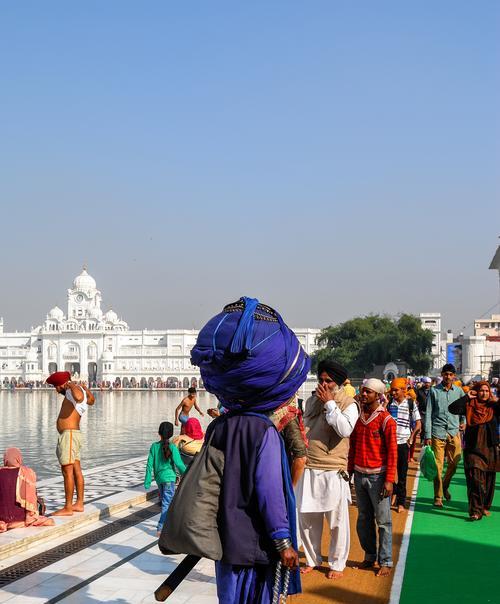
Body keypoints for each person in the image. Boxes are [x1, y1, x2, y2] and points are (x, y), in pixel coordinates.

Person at [189, 297, 309, 603]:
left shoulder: (219, 426)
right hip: (255, 546)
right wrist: (283, 542)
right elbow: (268, 490)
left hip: (226, 544)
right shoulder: (263, 432)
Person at [296, 360, 359, 580]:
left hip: (333, 470)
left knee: (337, 521)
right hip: (309, 466)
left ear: (339, 383)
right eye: (321, 380)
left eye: (328, 381)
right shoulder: (312, 401)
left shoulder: (349, 404)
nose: (323, 384)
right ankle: (313, 559)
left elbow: (344, 429)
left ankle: (337, 563)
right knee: (307, 518)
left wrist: (331, 404)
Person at [348, 378, 397, 577]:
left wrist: (390, 479)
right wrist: (350, 470)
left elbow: (393, 452)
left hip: (379, 477)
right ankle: (369, 556)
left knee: (383, 521)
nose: (363, 394)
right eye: (363, 391)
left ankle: (385, 560)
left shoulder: (386, 420)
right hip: (360, 475)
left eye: (368, 392)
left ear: (378, 395)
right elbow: (353, 446)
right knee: (363, 518)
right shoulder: (358, 418)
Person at [46, 371, 95, 516]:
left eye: (56, 386)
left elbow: (79, 398)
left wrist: (71, 385)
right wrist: (86, 390)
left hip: (69, 435)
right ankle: (79, 503)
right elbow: (91, 400)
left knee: (67, 472)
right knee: (76, 470)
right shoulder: (74, 391)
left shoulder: (72, 390)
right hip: (73, 435)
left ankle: (68, 507)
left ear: (63, 384)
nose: (56, 390)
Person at [449, 381, 499, 520]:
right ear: (476, 391)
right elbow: (452, 408)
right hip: (473, 448)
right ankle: (475, 511)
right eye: (481, 390)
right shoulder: (469, 405)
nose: (484, 393)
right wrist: (466, 397)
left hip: (490, 448)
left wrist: (495, 400)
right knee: (475, 480)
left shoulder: (493, 407)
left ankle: (484, 506)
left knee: (488, 481)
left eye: (487, 391)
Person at [424, 364, 465, 507]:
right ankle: (438, 496)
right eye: (446, 374)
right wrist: (427, 435)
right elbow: (428, 413)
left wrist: (463, 422)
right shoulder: (434, 391)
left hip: (454, 432)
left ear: (454, 376)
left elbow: (464, 410)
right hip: (437, 432)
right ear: (442, 375)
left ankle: (445, 485)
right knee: (438, 466)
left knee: (454, 463)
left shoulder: (459, 392)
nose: (448, 377)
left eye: (451, 374)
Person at [144, 421, 187, 535]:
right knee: (167, 503)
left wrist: (147, 481)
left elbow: (149, 464)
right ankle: (161, 527)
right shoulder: (172, 447)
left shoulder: (154, 446)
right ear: (171, 434)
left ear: (159, 433)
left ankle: (167, 525)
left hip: (159, 479)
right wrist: (187, 474)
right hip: (169, 479)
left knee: (165, 502)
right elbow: (179, 464)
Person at [0, 447, 54, 532]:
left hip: (2, 519)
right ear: (19, 458)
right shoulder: (26, 472)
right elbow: (33, 496)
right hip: (22, 519)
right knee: (49, 520)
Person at [388, 378, 421, 512]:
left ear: (403, 390)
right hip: (390, 444)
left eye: (396, 390)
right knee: (387, 473)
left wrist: (411, 439)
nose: (393, 393)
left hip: (403, 444)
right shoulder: (389, 403)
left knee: (402, 474)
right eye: (392, 390)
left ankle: (401, 502)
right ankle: (393, 491)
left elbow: (418, 423)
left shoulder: (410, 404)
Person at [416, 377, 432, 442]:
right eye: (426, 383)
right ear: (424, 383)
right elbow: (416, 400)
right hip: (422, 411)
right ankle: (422, 438)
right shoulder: (419, 391)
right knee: (423, 425)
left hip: (430, 411)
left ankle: (428, 439)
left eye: (428, 383)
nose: (427, 384)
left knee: (428, 425)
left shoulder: (433, 390)